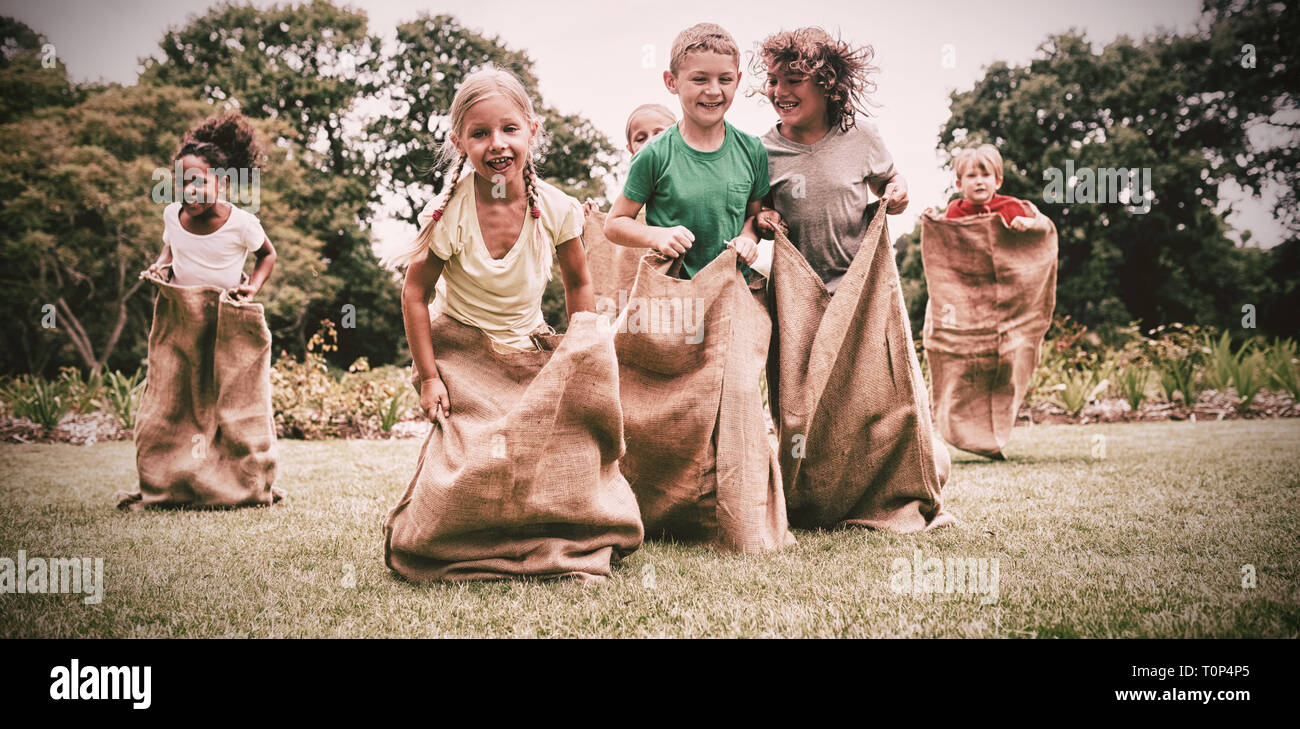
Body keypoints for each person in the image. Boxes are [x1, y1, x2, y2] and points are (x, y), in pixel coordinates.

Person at [380, 67, 641, 582]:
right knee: (470, 454)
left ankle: (556, 536)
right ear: (459, 142)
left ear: (532, 131)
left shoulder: (559, 208)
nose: (496, 144)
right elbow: (415, 292)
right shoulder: (446, 214)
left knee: (554, 447)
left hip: (525, 348)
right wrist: (429, 375)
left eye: (508, 129)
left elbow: (577, 283)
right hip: (462, 349)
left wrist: (582, 346)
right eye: (479, 133)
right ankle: (447, 539)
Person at [604, 22, 767, 276]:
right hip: (671, 298)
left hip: (734, 292)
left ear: (737, 80)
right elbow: (614, 224)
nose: (713, 90)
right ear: (672, 82)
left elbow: (753, 218)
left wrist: (748, 239)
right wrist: (657, 236)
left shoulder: (753, 149)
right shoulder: (654, 154)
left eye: (725, 79)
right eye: (699, 79)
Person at [752, 27, 905, 294]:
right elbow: (759, 211)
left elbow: (888, 182)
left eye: (794, 80)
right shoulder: (762, 151)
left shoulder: (861, 136)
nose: (779, 92)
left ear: (827, 84)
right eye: (773, 81)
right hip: (796, 295)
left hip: (858, 288)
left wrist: (898, 191)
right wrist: (765, 219)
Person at [145, 112, 276, 296]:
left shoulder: (242, 223)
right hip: (179, 309)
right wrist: (159, 266)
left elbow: (267, 255)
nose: (189, 190)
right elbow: (171, 245)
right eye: (182, 182)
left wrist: (253, 287)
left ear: (222, 183)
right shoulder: (172, 214)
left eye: (199, 182)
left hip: (223, 312)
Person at [944, 143, 1050, 231]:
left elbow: (1046, 229)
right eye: (971, 176)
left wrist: (1030, 224)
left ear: (998, 182)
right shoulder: (955, 211)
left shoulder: (1012, 207)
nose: (979, 181)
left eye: (986, 175)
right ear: (959, 184)